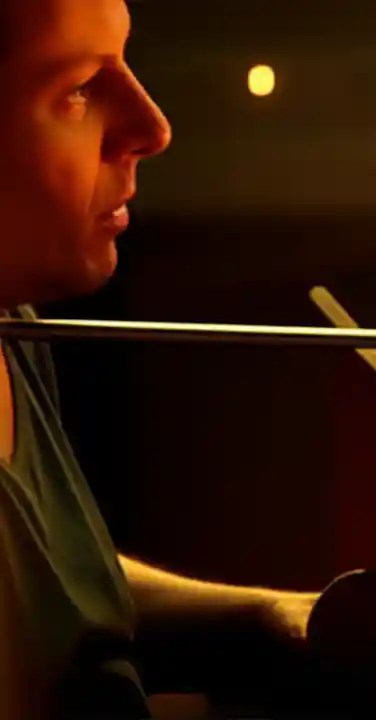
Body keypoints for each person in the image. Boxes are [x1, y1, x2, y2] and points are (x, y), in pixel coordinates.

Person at [1, 1, 320, 717]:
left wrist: (269, 620)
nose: (152, 127)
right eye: (80, 86)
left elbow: (51, 588)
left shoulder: (11, 319)